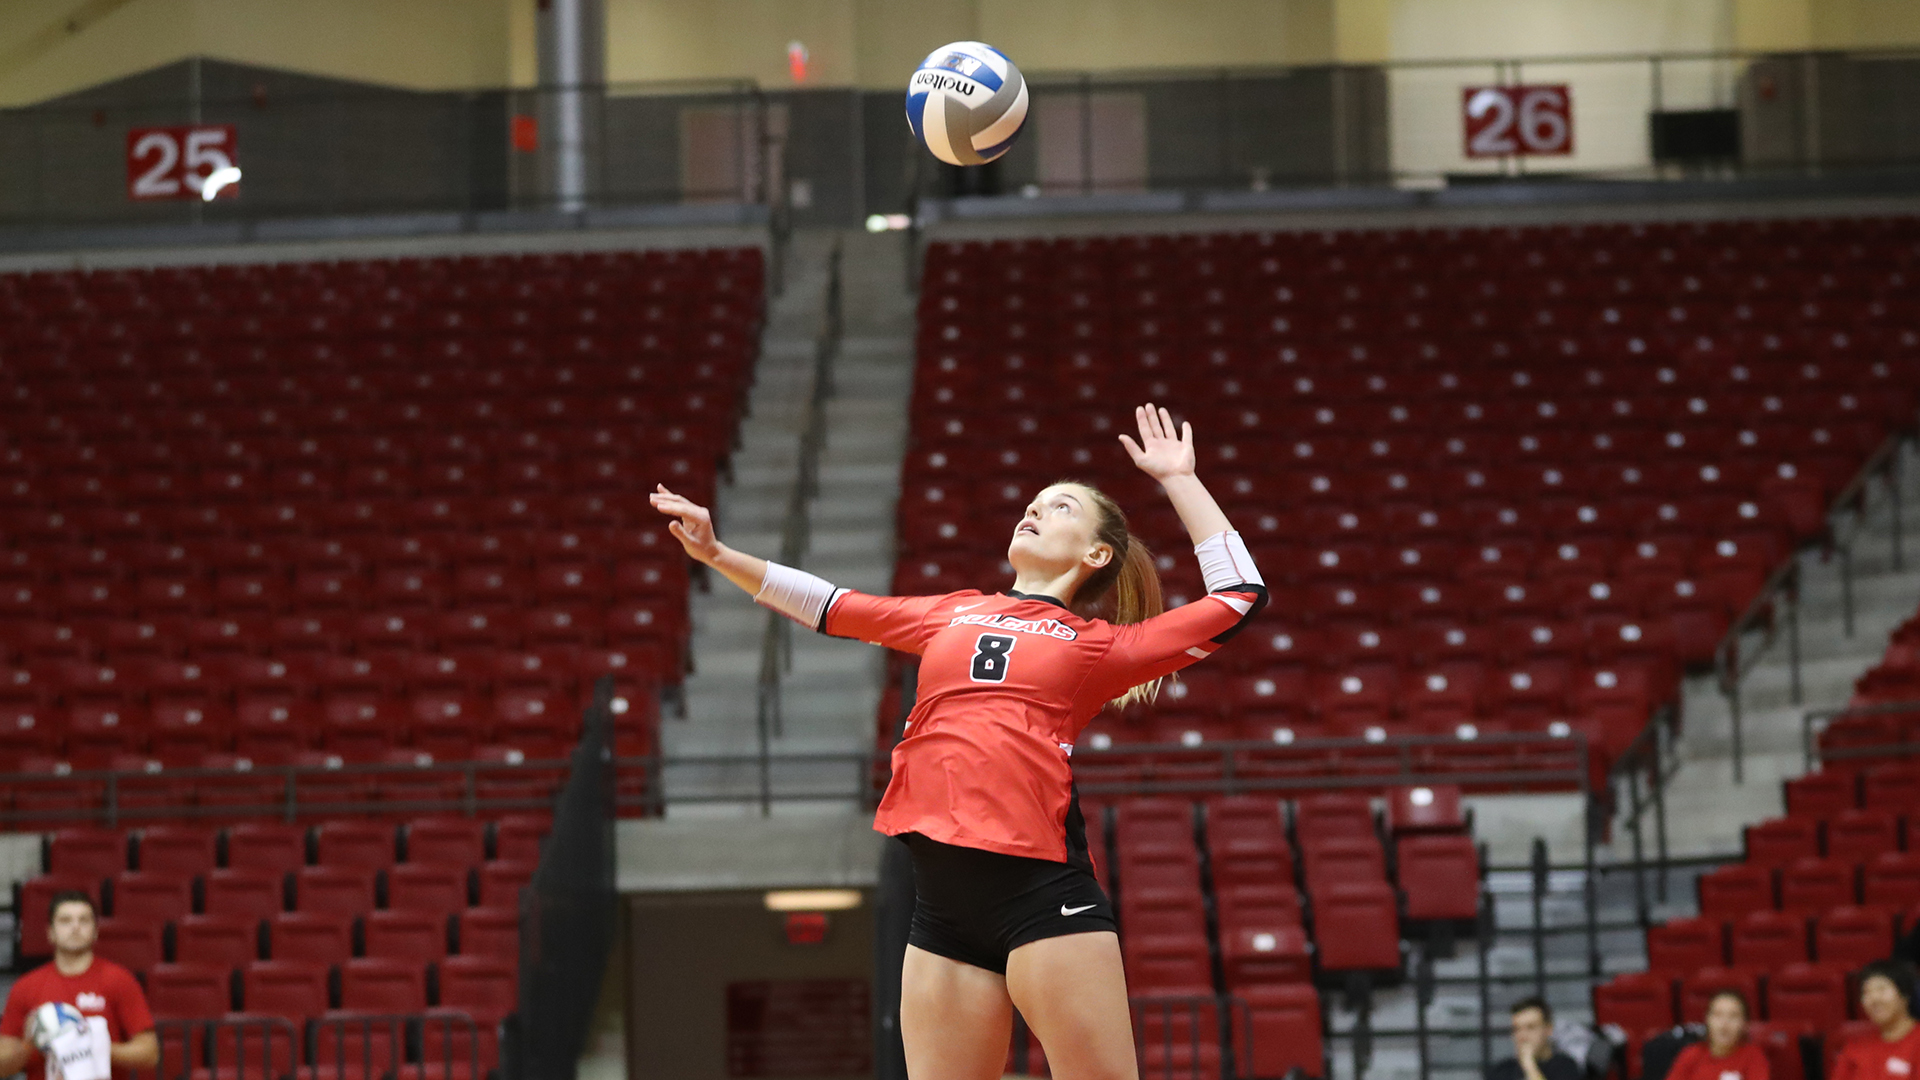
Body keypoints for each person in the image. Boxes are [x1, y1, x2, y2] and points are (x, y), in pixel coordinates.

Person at [652, 404, 1267, 1080]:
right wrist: (716, 554)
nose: (1033, 511)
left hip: (1042, 895)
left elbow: (1239, 595)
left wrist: (1180, 478)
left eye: (1059, 507)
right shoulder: (950, 611)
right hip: (942, 907)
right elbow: (829, 604)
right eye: (1031, 504)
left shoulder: (1103, 647)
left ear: (1097, 553)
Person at [0, 891, 158, 1080]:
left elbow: (150, 1053)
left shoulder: (119, 980)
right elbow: (3, 1066)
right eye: (65, 921)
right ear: (50, 932)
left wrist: (91, 1046)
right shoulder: (25, 987)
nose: (75, 927)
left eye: (84, 920)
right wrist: (28, 1045)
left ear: (95, 931)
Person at [1832, 960, 1920, 1080]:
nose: (1874, 999)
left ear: (1905, 995)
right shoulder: (1854, 1048)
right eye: (1866, 993)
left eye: (1882, 989)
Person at [1665, 990, 1768, 1080]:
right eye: (1717, 1015)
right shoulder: (1690, 1054)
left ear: (1744, 1024)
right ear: (1707, 1020)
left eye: (1733, 1016)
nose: (1724, 1023)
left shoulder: (1754, 1057)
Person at [1487, 998, 1583, 1080]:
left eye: (1531, 1027)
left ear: (1548, 1029)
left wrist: (1529, 1064)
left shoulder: (1564, 1066)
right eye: (1516, 1029)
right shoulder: (1501, 1071)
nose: (1522, 1036)